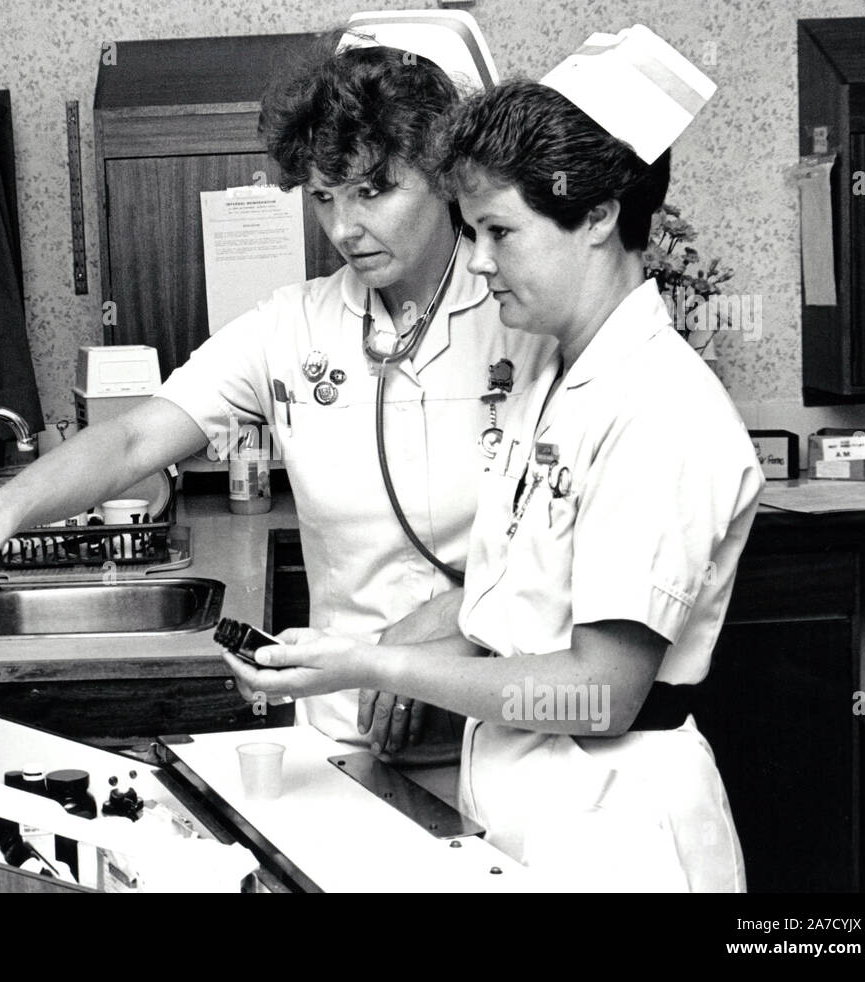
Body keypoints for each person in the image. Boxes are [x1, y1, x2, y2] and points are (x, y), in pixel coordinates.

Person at [0, 14, 556, 756]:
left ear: (442, 177)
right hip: (349, 725)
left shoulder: (528, 317)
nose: (344, 227)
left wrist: (433, 631)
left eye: (373, 190)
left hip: (510, 724)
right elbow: (131, 438)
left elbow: (571, 548)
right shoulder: (292, 327)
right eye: (322, 196)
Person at [225, 27, 765, 891]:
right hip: (531, 813)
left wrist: (377, 665)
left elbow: (599, 695)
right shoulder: (551, 375)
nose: (477, 264)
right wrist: (337, 649)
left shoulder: (661, 411)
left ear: (596, 216)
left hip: (620, 831)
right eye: (471, 231)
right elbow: (510, 594)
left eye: (498, 233)